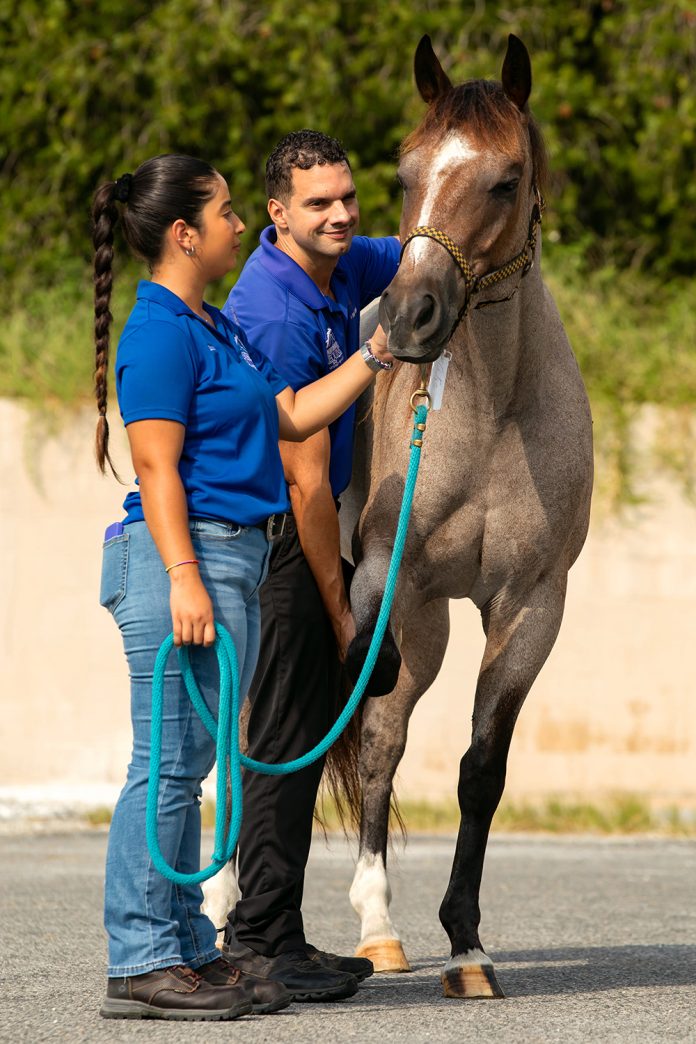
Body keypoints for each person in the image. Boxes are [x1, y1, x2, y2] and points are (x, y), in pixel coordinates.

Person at [92, 153, 394, 1021]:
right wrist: (184, 576)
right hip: (177, 561)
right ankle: (143, 959)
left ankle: (186, 947)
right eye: (225, 212)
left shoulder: (214, 327)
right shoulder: (158, 332)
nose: (237, 226)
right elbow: (155, 469)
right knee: (164, 768)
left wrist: (378, 351)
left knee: (189, 765)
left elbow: (292, 414)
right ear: (183, 233)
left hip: (231, 560)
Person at [220, 131, 400, 997]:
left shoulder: (339, 266)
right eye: (318, 203)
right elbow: (304, 476)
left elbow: (421, 250)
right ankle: (258, 942)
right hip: (281, 538)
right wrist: (337, 607)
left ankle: (277, 932)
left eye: (347, 197)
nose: (339, 214)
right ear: (276, 212)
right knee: (284, 746)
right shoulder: (276, 307)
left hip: (300, 529)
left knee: (289, 743)